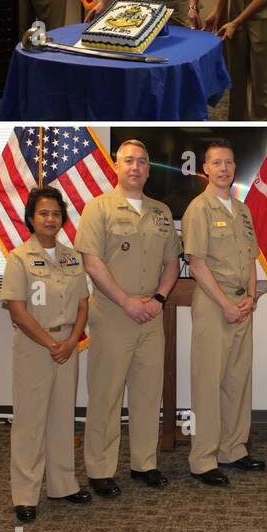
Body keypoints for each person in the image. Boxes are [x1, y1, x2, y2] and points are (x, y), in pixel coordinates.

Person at [77, 138, 181, 497]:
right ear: (116, 167)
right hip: (112, 315)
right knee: (106, 397)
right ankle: (100, 470)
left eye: (141, 161)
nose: (135, 167)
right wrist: (126, 302)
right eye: (128, 161)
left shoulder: (162, 212)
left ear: (149, 169)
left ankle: (144, 463)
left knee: (148, 393)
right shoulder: (98, 208)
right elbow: (92, 261)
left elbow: (172, 262)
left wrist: (158, 298)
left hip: (151, 315)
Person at [1, 187, 90, 524]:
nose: (50, 219)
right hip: (36, 348)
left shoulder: (72, 257)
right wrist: (51, 343)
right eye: (43, 213)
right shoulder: (18, 259)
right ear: (31, 218)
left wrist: (70, 341)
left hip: (68, 346)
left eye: (55, 213)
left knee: (61, 418)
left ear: (62, 219)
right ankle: (25, 495)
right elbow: (18, 311)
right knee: (30, 422)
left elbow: (83, 303)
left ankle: (62, 484)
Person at [182, 139, 262, 487]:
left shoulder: (242, 210)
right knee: (208, 383)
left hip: (242, 306)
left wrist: (251, 297)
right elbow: (196, 264)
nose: (224, 168)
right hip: (215, 306)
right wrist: (227, 304)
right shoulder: (198, 209)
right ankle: (203, 458)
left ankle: (234, 449)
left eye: (229, 163)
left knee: (237, 380)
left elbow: (250, 258)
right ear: (205, 169)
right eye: (217, 163)